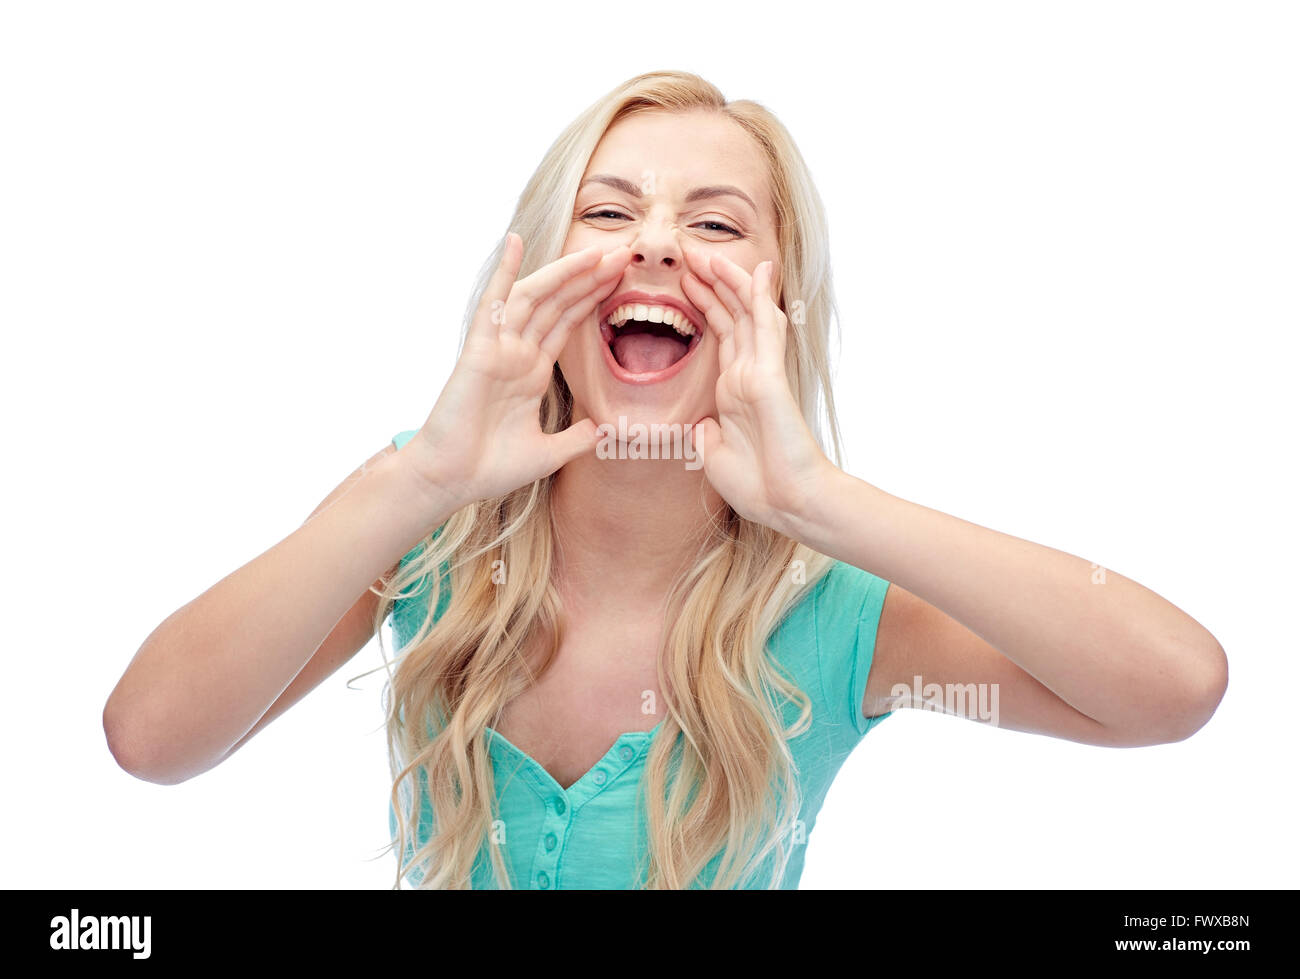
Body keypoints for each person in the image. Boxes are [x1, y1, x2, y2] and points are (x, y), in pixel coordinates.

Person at [104, 70, 1229, 889]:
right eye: (606, 211)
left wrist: (818, 500)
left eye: (713, 223)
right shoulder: (423, 531)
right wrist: (419, 479)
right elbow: (150, 739)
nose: (653, 246)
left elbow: (1174, 685)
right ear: (544, 275)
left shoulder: (834, 612)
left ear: (778, 306)